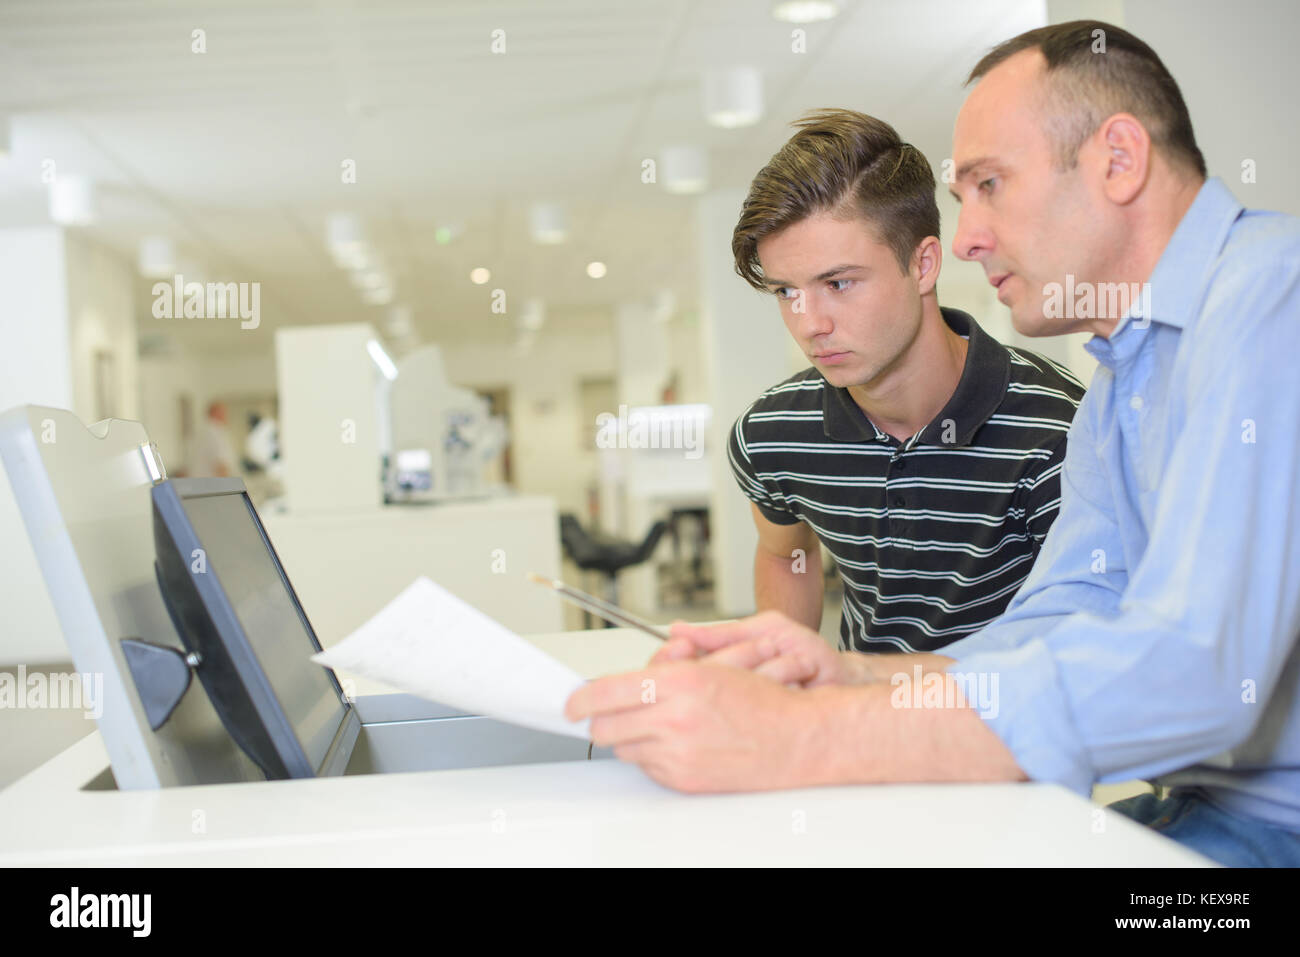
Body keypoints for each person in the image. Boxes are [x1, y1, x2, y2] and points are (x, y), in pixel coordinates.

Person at [566, 20, 1300, 867]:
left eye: (991, 184)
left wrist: (811, 735)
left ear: (1119, 159)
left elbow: (1196, 674)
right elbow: (1064, 620)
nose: (968, 238)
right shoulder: (1122, 383)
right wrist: (849, 676)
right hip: (1202, 806)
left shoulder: (1270, 300)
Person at [727, 108, 1083, 653]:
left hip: (1013, 724)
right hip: (861, 723)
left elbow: (1085, 643)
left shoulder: (1060, 429)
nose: (809, 323)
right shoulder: (772, 434)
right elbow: (782, 552)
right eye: (785, 292)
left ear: (923, 265)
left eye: (839, 283)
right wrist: (787, 678)